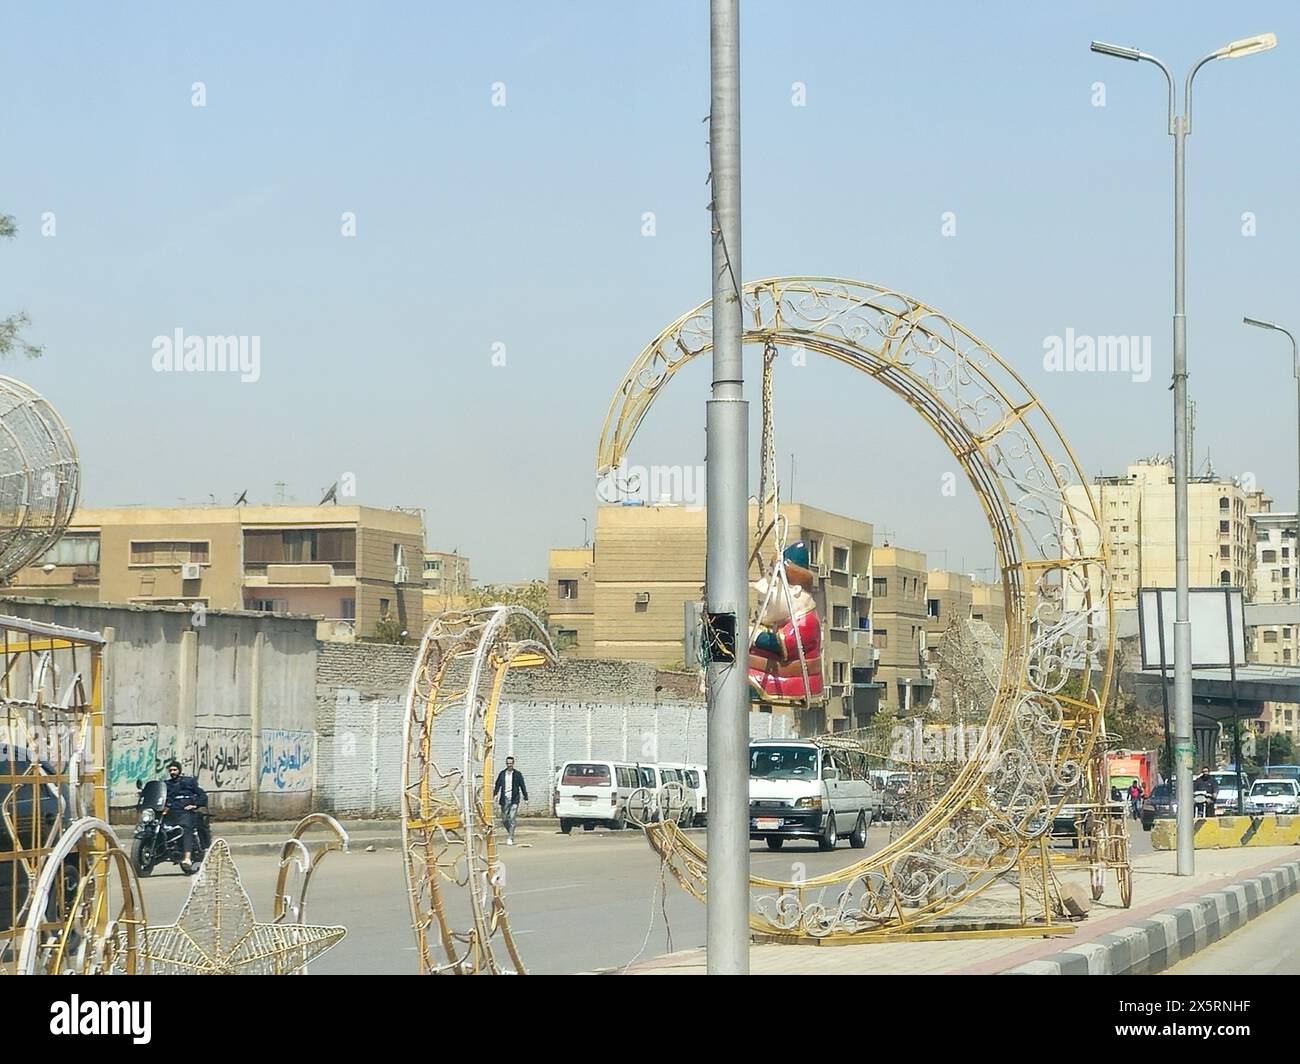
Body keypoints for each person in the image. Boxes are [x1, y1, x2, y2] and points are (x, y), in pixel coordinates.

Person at [162, 759, 208, 870]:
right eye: (171, 770)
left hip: (185, 811)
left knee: (186, 828)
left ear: (179, 770)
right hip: (171, 812)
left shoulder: (188, 782)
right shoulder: (165, 785)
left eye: (175, 770)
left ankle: (187, 857)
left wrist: (195, 805)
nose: (172, 772)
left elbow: (202, 795)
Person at [492, 756, 528, 846]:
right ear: (506, 764)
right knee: (504, 819)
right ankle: (511, 832)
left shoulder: (517, 774)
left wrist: (525, 797)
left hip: (514, 799)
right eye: (508, 763)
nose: (509, 765)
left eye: (511, 763)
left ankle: (510, 837)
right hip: (505, 799)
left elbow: (522, 786)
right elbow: (497, 785)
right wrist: (495, 794)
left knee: (512, 818)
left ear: (513, 764)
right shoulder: (502, 774)